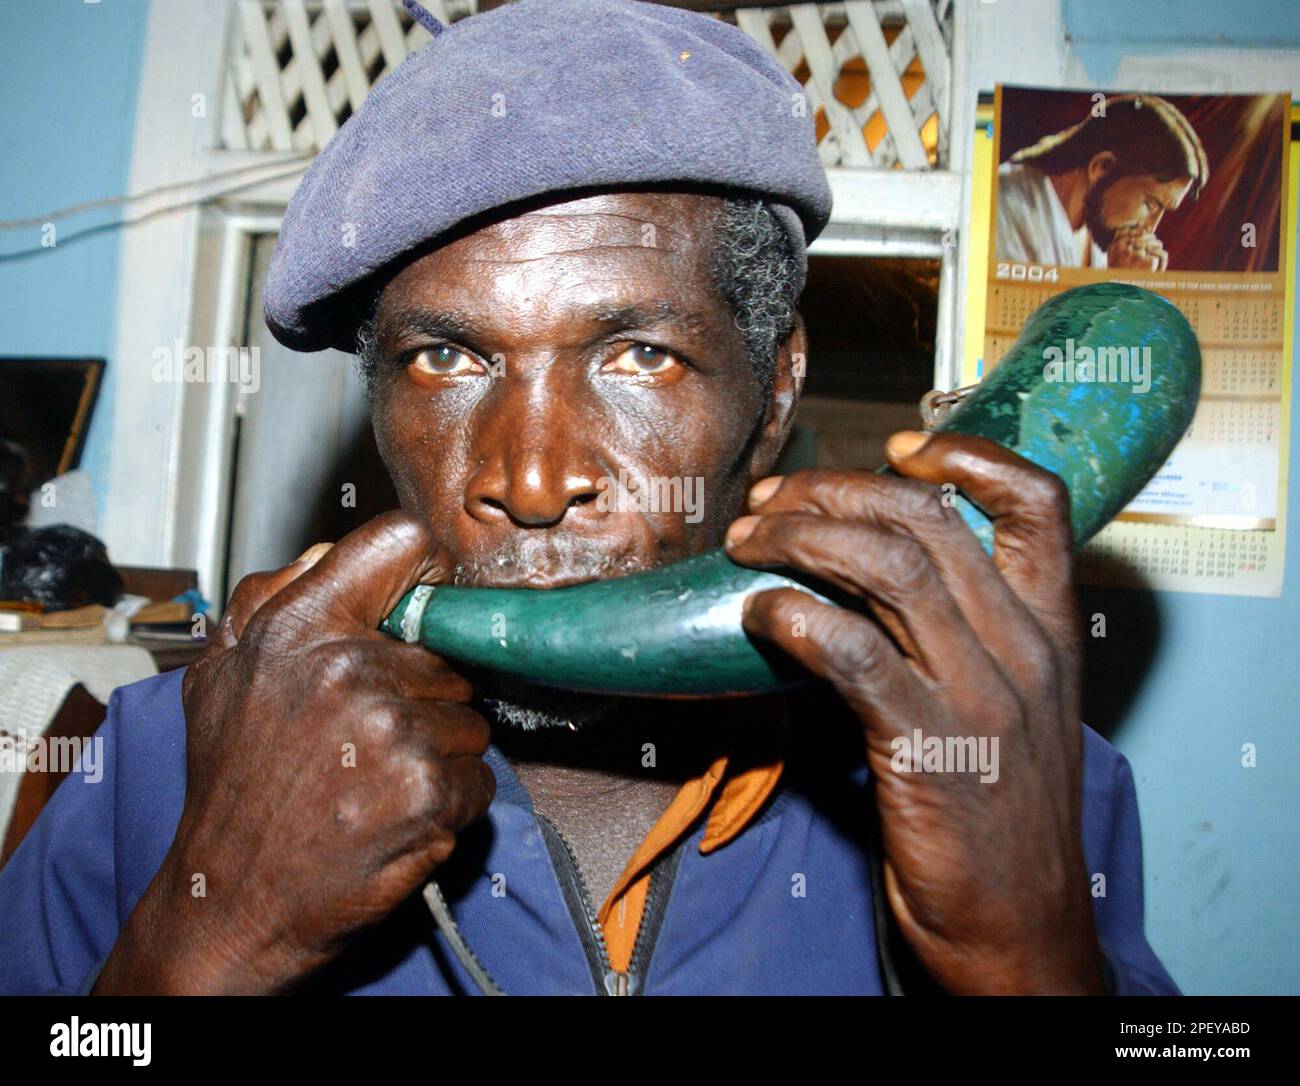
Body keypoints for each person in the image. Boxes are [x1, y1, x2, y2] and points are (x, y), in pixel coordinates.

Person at [0, 0, 1178, 996]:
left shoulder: (992, 750)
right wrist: (205, 940)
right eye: (444, 360)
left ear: (774, 391)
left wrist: (1031, 957)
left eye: (638, 356)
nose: (527, 478)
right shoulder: (167, 763)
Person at [995, 94, 1208, 270]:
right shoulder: (1004, 208)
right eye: (1151, 205)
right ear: (1102, 168)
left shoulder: (1097, 223)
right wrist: (1119, 286)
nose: (1151, 228)